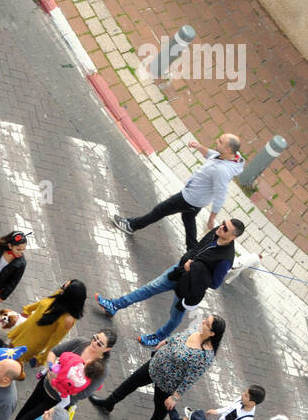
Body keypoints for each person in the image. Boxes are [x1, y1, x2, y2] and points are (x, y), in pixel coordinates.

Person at [97, 219, 243, 347]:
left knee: (175, 315)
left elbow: (215, 283)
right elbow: (198, 247)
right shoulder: (216, 231)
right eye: (223, 222)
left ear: (233, 237)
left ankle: (160, 336)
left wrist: (192, 269)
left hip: (189, 286)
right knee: (150, 288)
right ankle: (115, 305)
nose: (221, 226)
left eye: (225, 228)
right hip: (178, 270)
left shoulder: (226, 260)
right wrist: (186, 262)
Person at [92, 314, 225, 420]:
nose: (202, 323)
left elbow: (191, 378)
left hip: (168, 381)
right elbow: (180, 336)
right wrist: (165, 341)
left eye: (207, 324)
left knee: (160, 408)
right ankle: (109, 403)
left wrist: (175, 397)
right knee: (131, 382)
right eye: (205, 320)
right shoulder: (197, 330)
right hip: (155, 364)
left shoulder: (205, 356)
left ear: (212, 333)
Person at [112, 132, 244, 246]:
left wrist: (211, 219)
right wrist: (199, 147)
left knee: (159, 210)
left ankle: (131, 225)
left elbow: (220, 196)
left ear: (227, 150)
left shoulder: (222, 171)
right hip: (195, 200)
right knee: (188, 221)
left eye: (220, 141)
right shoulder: (233, 157)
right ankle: (193, 254)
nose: (217, 141)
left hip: (189, 199)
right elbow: (212, 154)